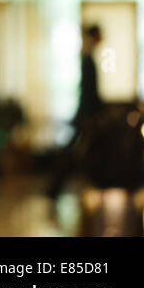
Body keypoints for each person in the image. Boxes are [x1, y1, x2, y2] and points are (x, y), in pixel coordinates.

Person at [46, 23, 104, 200]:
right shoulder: (88, 59)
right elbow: (88, 91)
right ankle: (55, 187)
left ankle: (55, 187)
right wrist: (89, 114)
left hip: (85, 114)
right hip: (86, 116)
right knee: (73, 154)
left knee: (73, 153)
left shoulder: (87, 57)